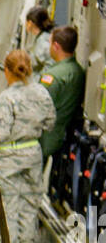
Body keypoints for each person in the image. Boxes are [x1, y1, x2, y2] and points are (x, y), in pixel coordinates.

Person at [0, 48, 55, 243]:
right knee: (29, 206)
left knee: (7, 209)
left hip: (7, 159)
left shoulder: (7, 98)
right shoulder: (41, 93)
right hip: (33, 155)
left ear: (7, 71)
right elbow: (50, 123)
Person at [39, 24, 86, 163]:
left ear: (56, 46)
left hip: (45, 140)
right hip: (62, 136)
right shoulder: (77, 71)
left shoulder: (53, 76)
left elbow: (37, 108)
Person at [24, 6, 53, 79]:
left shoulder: (43, 42)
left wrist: (36, 80)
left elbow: (49, 66)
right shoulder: (42, 37)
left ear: (30, 23)